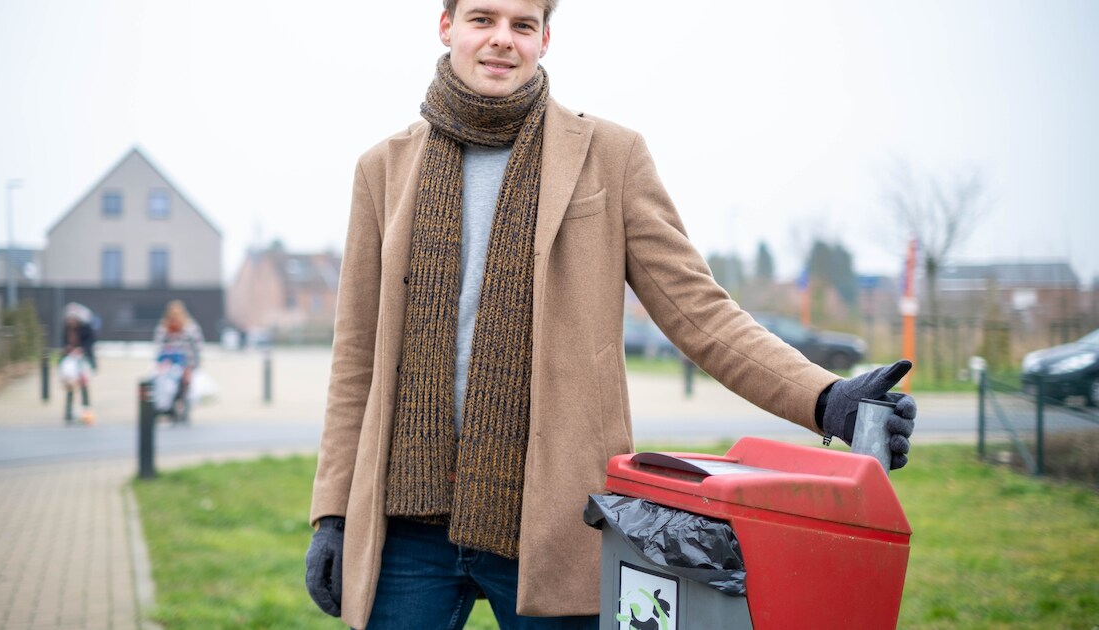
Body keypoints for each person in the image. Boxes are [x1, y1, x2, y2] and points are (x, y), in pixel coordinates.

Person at [305, 1, 918, 627]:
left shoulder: (610, 155)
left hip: (554, 521)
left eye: (521, 25)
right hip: (408, 528)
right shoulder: (382, 170)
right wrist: (331, 513)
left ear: (545, 37)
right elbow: (356, 357)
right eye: (481, 19)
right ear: (446, 27)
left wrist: (827, 398)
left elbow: (699, 312)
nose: (501, 40)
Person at [152, 300, 204, 423]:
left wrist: (193, 366)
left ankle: (184, 411)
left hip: (187, 364)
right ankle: (168, 409)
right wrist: (161, 362)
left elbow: (197, 347)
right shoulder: (164, 329)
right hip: (168, 365)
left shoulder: (190, 328)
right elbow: (158, 346)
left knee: (185, 387)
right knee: (165, 385)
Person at [61, 302, 97, 424]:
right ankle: (68, 413)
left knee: (83, 385)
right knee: (70, 386)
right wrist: (68, 349)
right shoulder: (67, 329)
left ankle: (86, 412)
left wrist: (81, 349)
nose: (71, 321)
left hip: (83, 361)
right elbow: (64, 344)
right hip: (71, 362)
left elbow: (90, 343)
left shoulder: (85, 329)